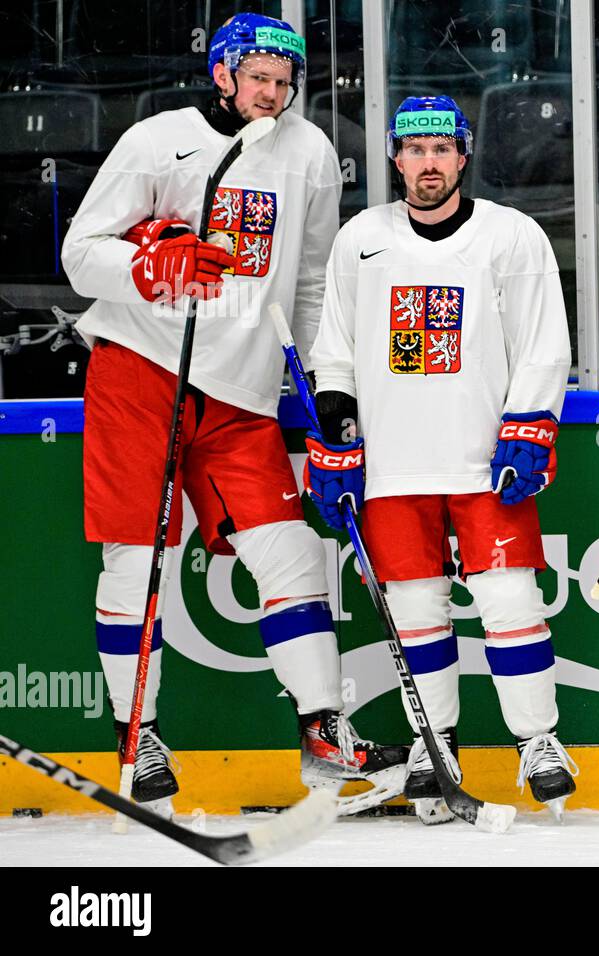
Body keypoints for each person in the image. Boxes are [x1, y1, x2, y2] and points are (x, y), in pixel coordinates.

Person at [62, 12, 408, 816]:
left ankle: (326, 734)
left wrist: (327, 383)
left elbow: (315, 280)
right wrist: (150, 264)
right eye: (258, 77)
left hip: (244, 387)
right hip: (142, 371)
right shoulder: (157, 141)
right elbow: (81, 254)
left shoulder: (310, 152)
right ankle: (136, 734)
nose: (273, 93)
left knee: (289, 554)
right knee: (135, 558)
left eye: (285, 82)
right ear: (222, 72)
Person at [306, 95, 577, 823]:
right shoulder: (361, 239)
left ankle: (539, 741)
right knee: (417, 614)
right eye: (414, 150)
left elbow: (544, 344)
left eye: (441, 150)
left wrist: (529, 424)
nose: (428, 164)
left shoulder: (511, 238)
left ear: (462, 156)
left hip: (485, 461)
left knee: (511, 603)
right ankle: (436, 744)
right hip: (393, 466)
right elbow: (332, 347)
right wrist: (334, 420)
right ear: (396, 158)